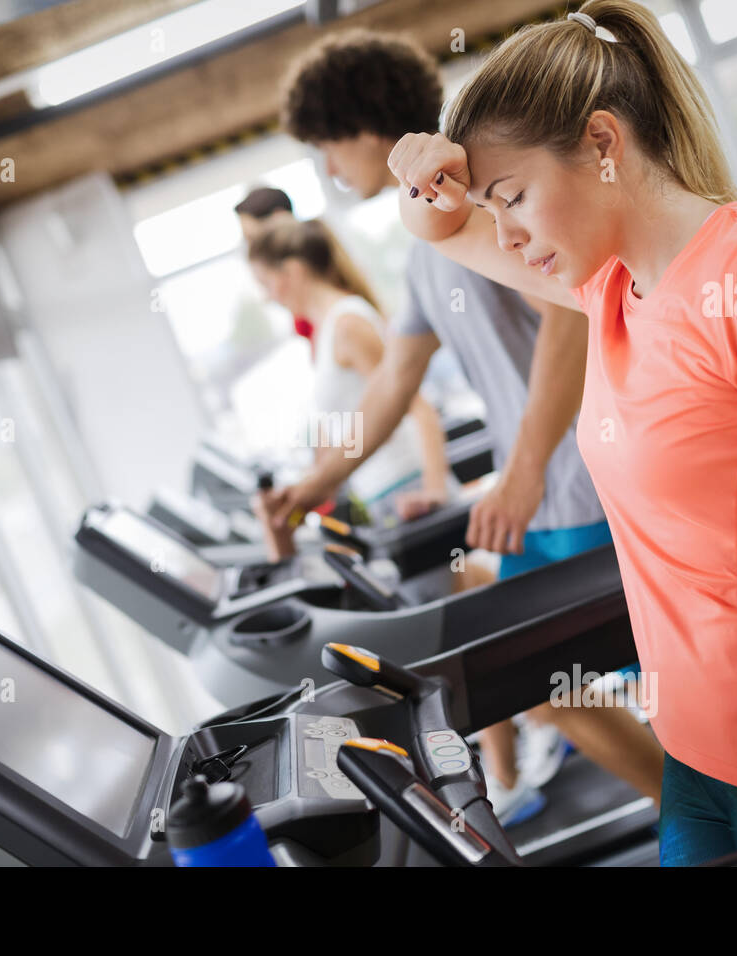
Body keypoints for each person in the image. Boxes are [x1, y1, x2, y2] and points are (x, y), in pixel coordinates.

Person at [388, 0, 737, 864]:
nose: (504, 230)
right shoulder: (611, 286)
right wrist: (426, 174)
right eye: (495, 204)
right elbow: (446, 230)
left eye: (514, 197)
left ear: (604, 144)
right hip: (695, 758)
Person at [271, 29, 664, 825]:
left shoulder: (482, 188)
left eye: (327, 148)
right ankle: (703, 815)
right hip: (548, 495)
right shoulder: (424, 238)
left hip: (585, 482)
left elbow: (573, 316)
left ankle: (719, 820)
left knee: (563, 685)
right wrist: (314, 487)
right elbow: (394, 380)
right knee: (545, 691)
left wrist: (519, 471)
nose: (329, 170)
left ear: (363, 127)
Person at [247, 217, 452, 521]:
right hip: (379, 491)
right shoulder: (325, 331)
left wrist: (435, 493)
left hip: (408, 485)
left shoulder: (348, 325)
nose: (267, 296)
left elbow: (420, 409)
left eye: (266, 283)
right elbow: (340, 427)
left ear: (292, 271)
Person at [236, 187, 317, 354]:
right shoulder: (291, 291)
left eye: (251, 237)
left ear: (280, 218)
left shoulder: (315, 275)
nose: (251, 248)